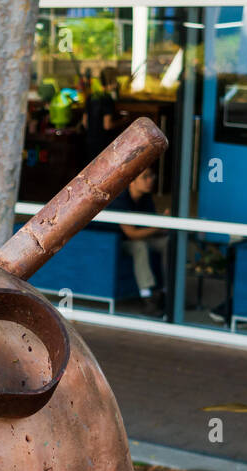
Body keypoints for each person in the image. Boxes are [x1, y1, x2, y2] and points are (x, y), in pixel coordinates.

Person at [109, 166, 168, 313]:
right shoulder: (120, 199)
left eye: (152, 177)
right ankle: (148, 297)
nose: (150, 181)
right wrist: (160, 224)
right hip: (113, 243)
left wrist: (165, 225)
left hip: (142, 237)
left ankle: (168, 291)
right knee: (139, 246)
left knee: (169, 243)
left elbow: (151, 227)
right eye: (145, 177)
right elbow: (132, 234)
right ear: (131, 182)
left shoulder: (146, 198)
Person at [83, 66, 121, 161]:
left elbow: (84, 123)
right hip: (103, 143)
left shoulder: (91, 97)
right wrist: (123, 122)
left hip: (90, 141)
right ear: (112, 80)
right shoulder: (107, 99)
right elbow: (107, 126)